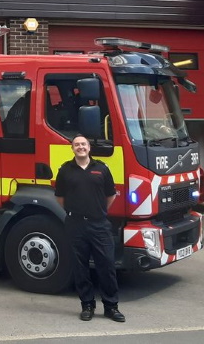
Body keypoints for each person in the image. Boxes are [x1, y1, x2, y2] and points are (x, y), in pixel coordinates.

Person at [54, 134, 125, 322]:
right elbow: (60, 198)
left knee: (107, 265)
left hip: (99, 224)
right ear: (72, 148)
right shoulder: (65, 170)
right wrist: (77, 212)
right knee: (80, 267)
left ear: (89, 147)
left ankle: (111, 307)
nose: (80, 147)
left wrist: (97, 212)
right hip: (75, 224)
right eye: (76, 144)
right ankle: (87, 305)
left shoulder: (101, 169)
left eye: (83, 144)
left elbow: (111, 195)